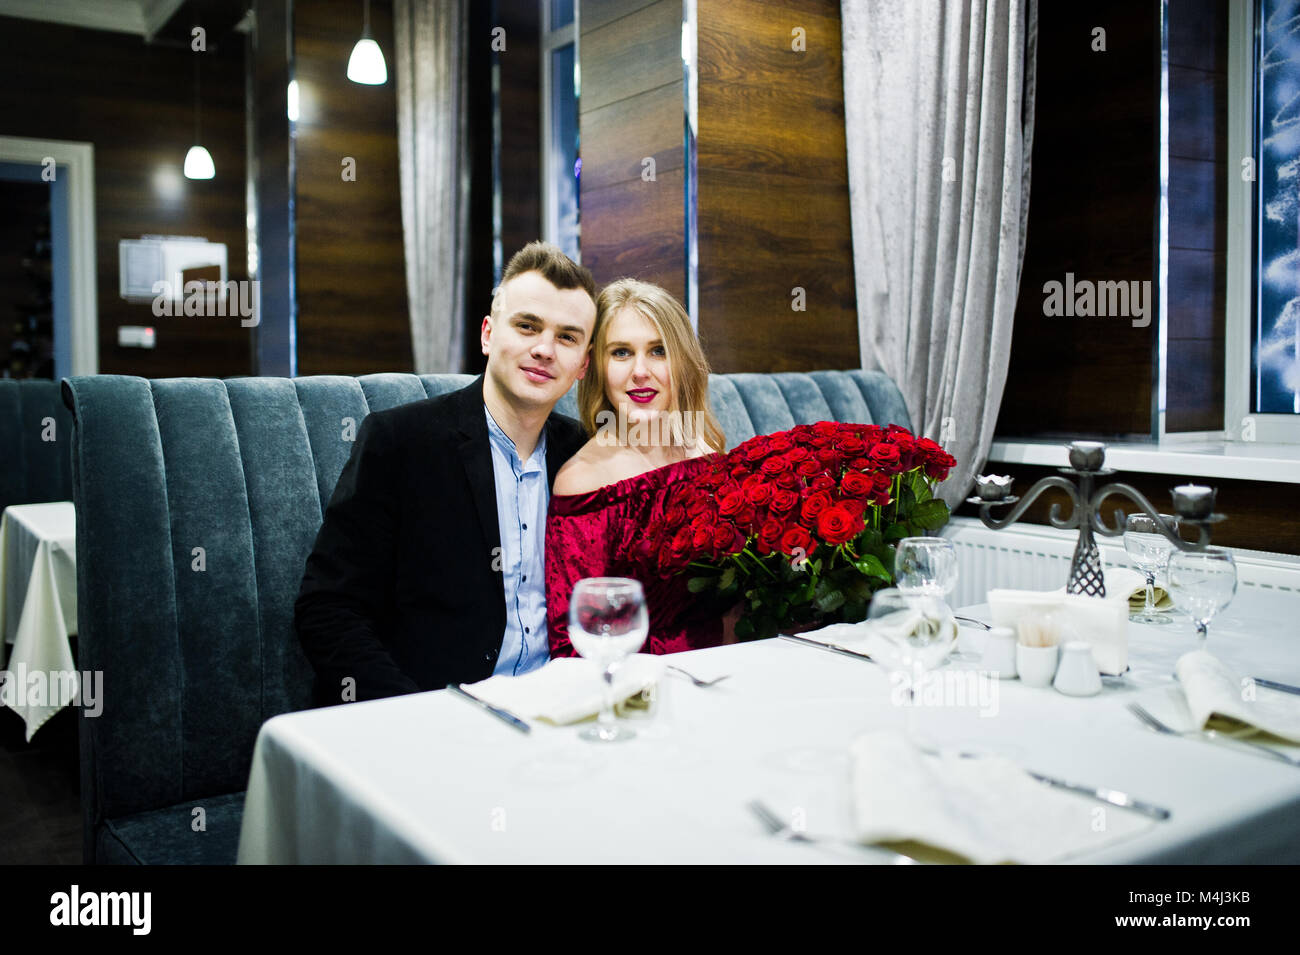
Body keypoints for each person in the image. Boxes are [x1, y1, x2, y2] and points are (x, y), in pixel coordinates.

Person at [295, 242, 597, 705]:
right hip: (429, 712)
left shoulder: (585, 457)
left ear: (583, 365)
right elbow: (329, 608)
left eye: (567, 337)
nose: (544, 349)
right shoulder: (399, 441)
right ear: (488, 335)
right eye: (527, 326)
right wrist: (415, 715)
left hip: (557, 710)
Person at [545, 278, 731, 657]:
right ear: (596, 364)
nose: (641, 371)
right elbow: (575, 644)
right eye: (622, 353)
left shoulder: (706, 450)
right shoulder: (582, 482)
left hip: (737, 665)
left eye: (659, 351)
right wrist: (723, 633)